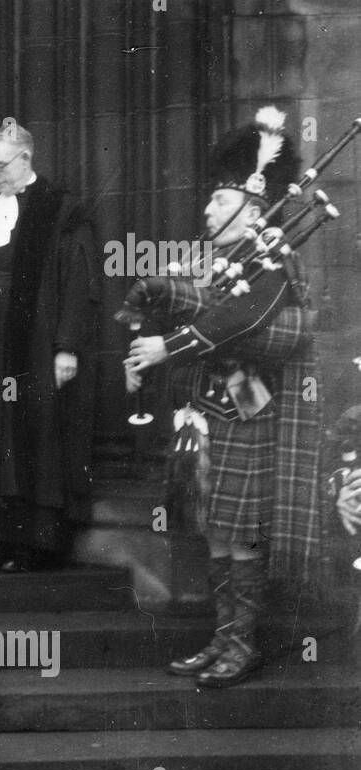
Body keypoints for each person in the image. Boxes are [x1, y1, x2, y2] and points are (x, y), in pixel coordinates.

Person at [125, 106, 319, 688]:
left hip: (248, 414)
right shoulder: (212, 263)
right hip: (206, 416)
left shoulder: (276, 262)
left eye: (218, 201)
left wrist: (189, 327)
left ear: (253, 208)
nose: (206, 209)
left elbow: (282, 333)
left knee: (243, 532)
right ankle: (221, 639)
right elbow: (191, 312)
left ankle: (242, 644)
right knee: (216, 528)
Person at [0, 122, 100, 572]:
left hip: (33, 341)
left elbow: (79, 283)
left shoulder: (61, 209)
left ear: (26, 158)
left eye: (0, 166)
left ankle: (32, 543)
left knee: (27, 433)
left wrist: (67, 346)